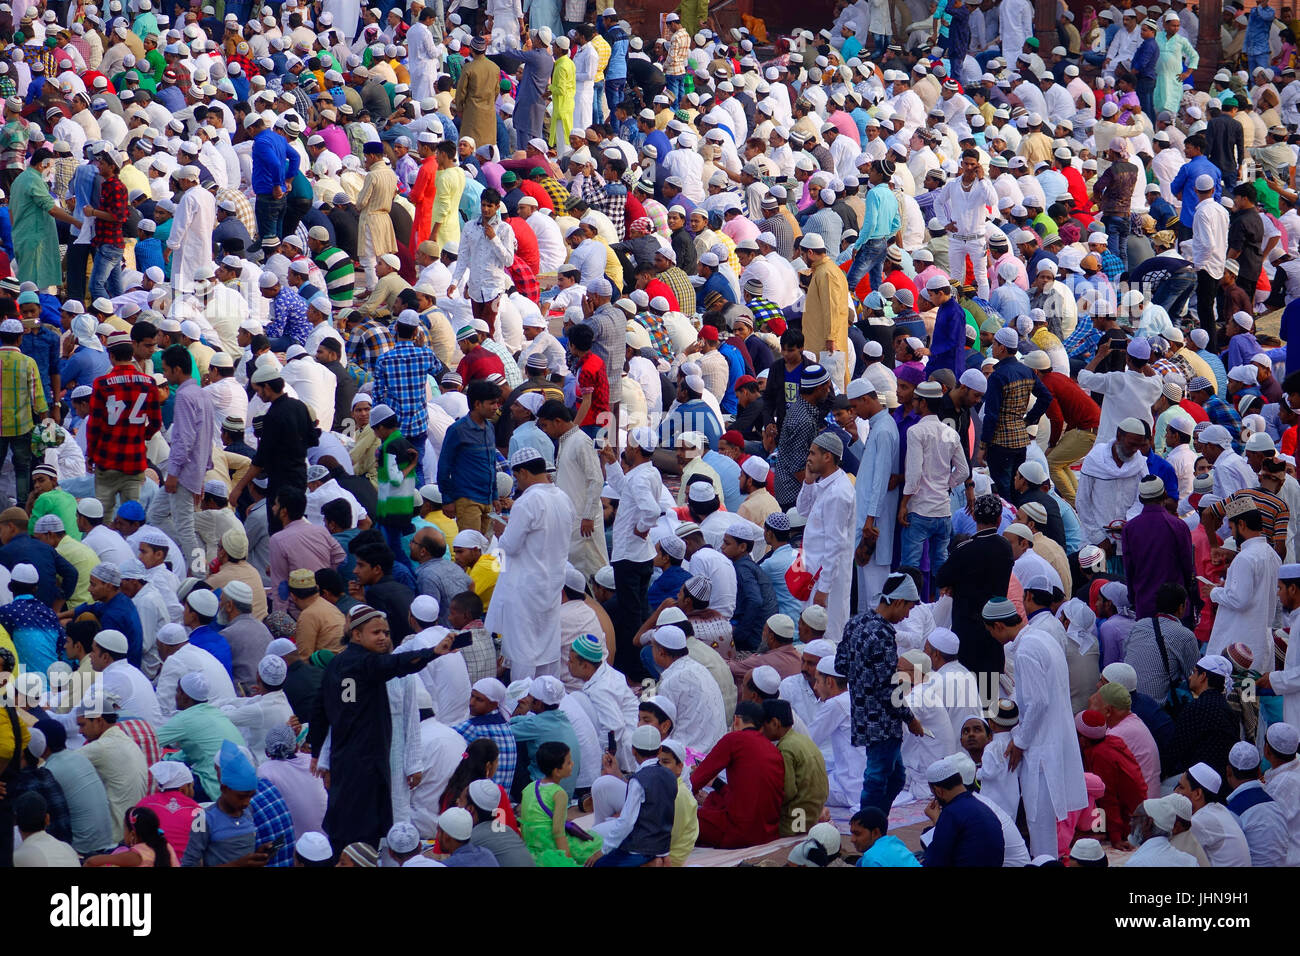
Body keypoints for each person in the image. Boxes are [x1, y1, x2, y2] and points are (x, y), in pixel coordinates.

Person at [982, 596, 1087, 857]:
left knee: (1039, 824)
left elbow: (1038, 702)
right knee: (1041, 822)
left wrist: (1020, 742)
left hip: (1041, 745)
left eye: (989, 632)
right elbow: (1028, 694)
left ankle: (1044, 862)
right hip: (1052, 738)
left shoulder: (1028, 649)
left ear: (997, 627)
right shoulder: (1042, 638)